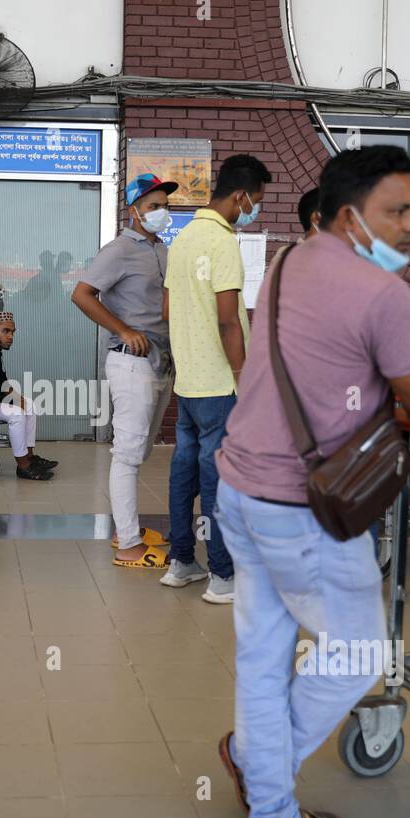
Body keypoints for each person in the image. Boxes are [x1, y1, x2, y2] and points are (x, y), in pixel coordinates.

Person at [214, 145, 410, 818]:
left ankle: (273, 813)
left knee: (263, 654)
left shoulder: (288, 262)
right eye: (398, 210)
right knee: (357, 654)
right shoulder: (384, 295)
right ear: (351, 216)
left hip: (239, 486)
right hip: (305, 507)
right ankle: (263, 778)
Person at [160, 154, 270, 604]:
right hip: (220, 383)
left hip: (187, 381)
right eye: (256, 200)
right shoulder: (223, 243)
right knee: (219, 475)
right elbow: (229, 320)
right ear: (241, 195)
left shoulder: (183, 238)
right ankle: (222, 576)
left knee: (184, 469)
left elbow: (168, 311)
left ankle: (181, 562)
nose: (254, 209)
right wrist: (243, 378)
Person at [71, 172, 176, 567]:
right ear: (134, 211)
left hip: (162, 361)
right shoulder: (118, 250)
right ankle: (129, 544)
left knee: (141, 449)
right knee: (128, 454)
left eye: (165, 206)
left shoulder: (162, 250)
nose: (161, 212)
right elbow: (81, 294)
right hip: (131, 362)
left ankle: (124, 528)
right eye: (153, 207)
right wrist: (123, 329)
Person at [0, 311, 57, 480]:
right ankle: (23, 466)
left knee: (30, 404)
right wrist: (14, 401)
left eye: (12, 332)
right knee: (17, 413)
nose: (11, 336)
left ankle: (29, 457)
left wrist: (18, 397)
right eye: (6, 331)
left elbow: (2, 381)